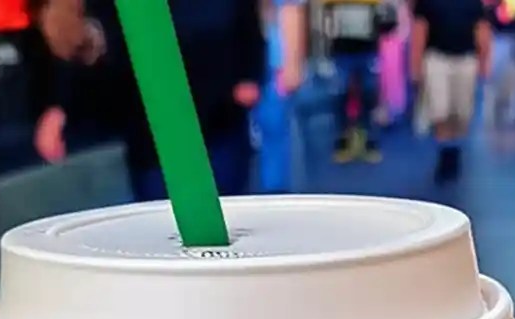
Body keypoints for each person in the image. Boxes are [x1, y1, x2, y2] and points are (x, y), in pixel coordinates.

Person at [33, 0, 266, 201]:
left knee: (226, 214)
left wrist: (248, 72)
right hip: (148, 125)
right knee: (161, 222)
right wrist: (61, 107)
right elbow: (87, 41)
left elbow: (242, 16)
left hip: (216, 114)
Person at [412, 0, 492, 183]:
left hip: (466, 59)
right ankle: (445, 154)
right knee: (439, 109)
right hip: (436, 58)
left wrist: (484, 61)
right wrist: (415, 67)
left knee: (461, 112)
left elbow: (481, 29)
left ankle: (454, 150)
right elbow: (420, 32)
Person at [323, 0, 399, 163]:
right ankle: (343, 139)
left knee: (369, 93)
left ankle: (368, 139)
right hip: (341, 49)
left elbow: (387, 16)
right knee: (340, 94)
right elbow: (327, 11)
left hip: (368, 49)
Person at [256, 0, 306, 192]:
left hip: (273, 64)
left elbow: (291, 9)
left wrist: (292, 64)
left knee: (274, 131)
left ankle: (276, 195)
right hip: (252, 60)